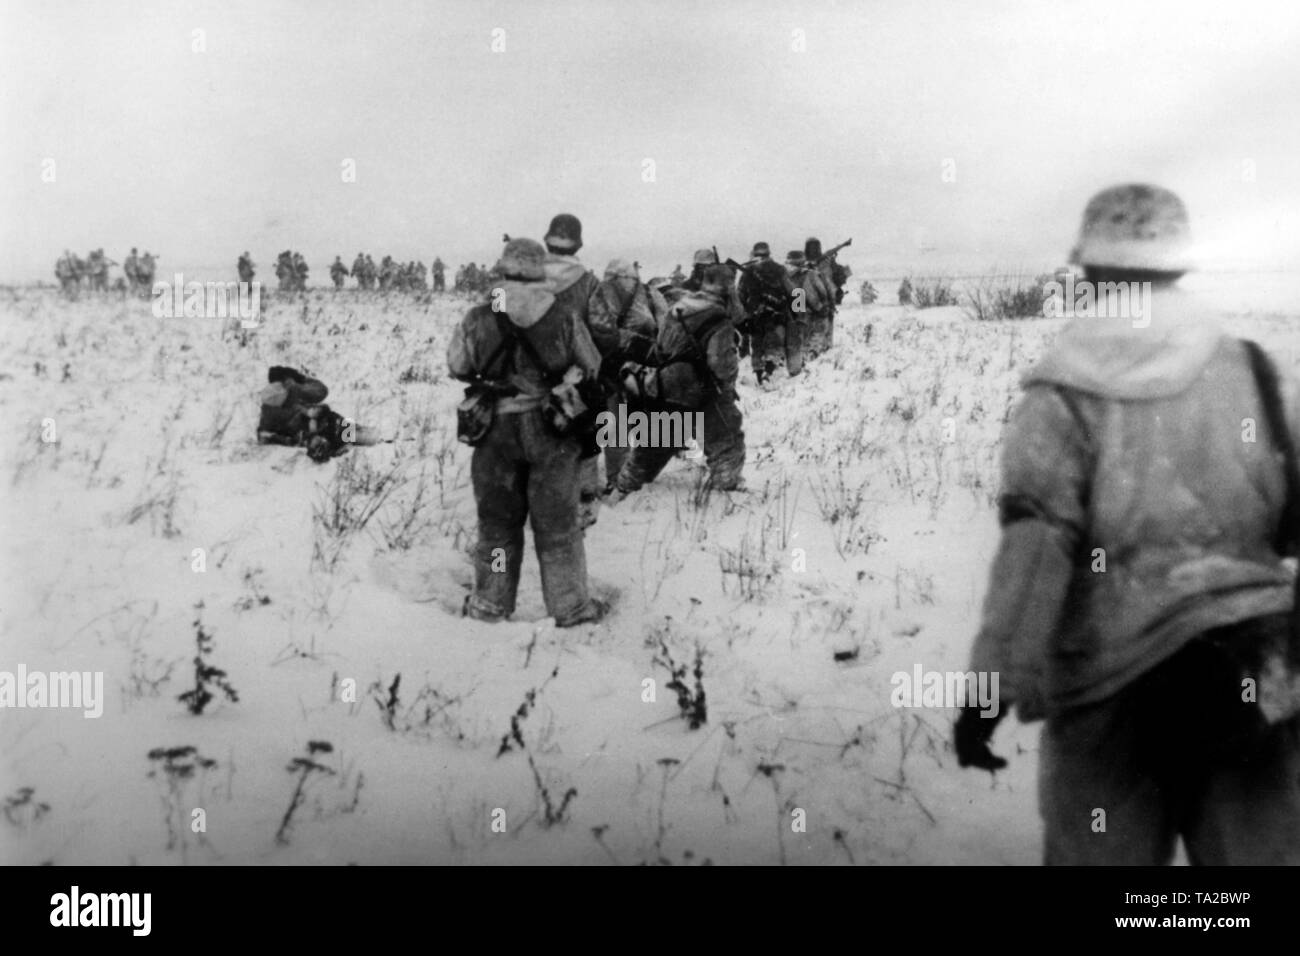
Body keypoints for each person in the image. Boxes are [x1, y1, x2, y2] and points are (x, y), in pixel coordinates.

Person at [956, 183, 1300, 865]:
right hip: (1253, 678)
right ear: (1181, 264)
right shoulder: (1259, 373)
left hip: (1108, 690)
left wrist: (988, 694)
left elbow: (1034, 560)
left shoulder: (1060, 393)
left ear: (1089, 271)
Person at [447, 237, 608, 627]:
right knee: (558, 528)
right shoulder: (562, 313)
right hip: (552, 430)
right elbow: (592, 364)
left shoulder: (482, 313)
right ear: (540, 269)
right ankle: (570, 609)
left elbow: (458, 365)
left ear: (503, 268)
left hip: (496, 431)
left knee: (499, 524)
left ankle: (490, 603)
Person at [611, 264, 745, 495]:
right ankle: (727, 490)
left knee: (655, 445)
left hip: (667, 386)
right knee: (726, 440)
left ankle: (623, 489)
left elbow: (660, 348)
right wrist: (730, 375)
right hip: (704, 390)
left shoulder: (678, 309)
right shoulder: (719, 318)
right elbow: (721, 365)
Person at [542, 213, 608, 528]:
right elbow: (601, 329)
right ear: (578, 243)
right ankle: (583, 503)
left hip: (531, 375)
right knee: (585, 437)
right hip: (576, 372)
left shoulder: (527, 278)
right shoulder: (589, 282)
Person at [588, 258, 667, 482]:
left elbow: (596, 330)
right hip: (644, 365)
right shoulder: (652, 295)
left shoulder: (601, 294)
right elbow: (666, 329)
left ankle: (620, 473)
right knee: (635, 416)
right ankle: (631, 470)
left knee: (616, 418)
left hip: (614, 364)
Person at [257, 366, 351, 462]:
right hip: (308, 434)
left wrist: (300, 380)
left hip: (323, 426)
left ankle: (346, 438)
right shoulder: (274, 407)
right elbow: (265, 435)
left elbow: (321, 392)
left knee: (332, 420)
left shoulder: (291, 391)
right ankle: (341, 442)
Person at [738, 242, 795, 385]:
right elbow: (796, 292)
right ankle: (769, 374)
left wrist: (742, 318)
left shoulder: (747, 272)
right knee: (774, 346)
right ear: (769, 254)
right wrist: (798, 313)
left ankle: (759, 374)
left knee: (757, 347)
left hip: (754, 317)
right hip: (775, 316)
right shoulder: (779, 270)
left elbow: (740, 297)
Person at [783, 250, 831, 374]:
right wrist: (821, 307)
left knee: (792, 341)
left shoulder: (781, 275)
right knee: (817, 331)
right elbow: (820, 292)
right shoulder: (810, 275)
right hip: (806, 311)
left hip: (787, 313)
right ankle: (810, 357)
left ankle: (793, 366)